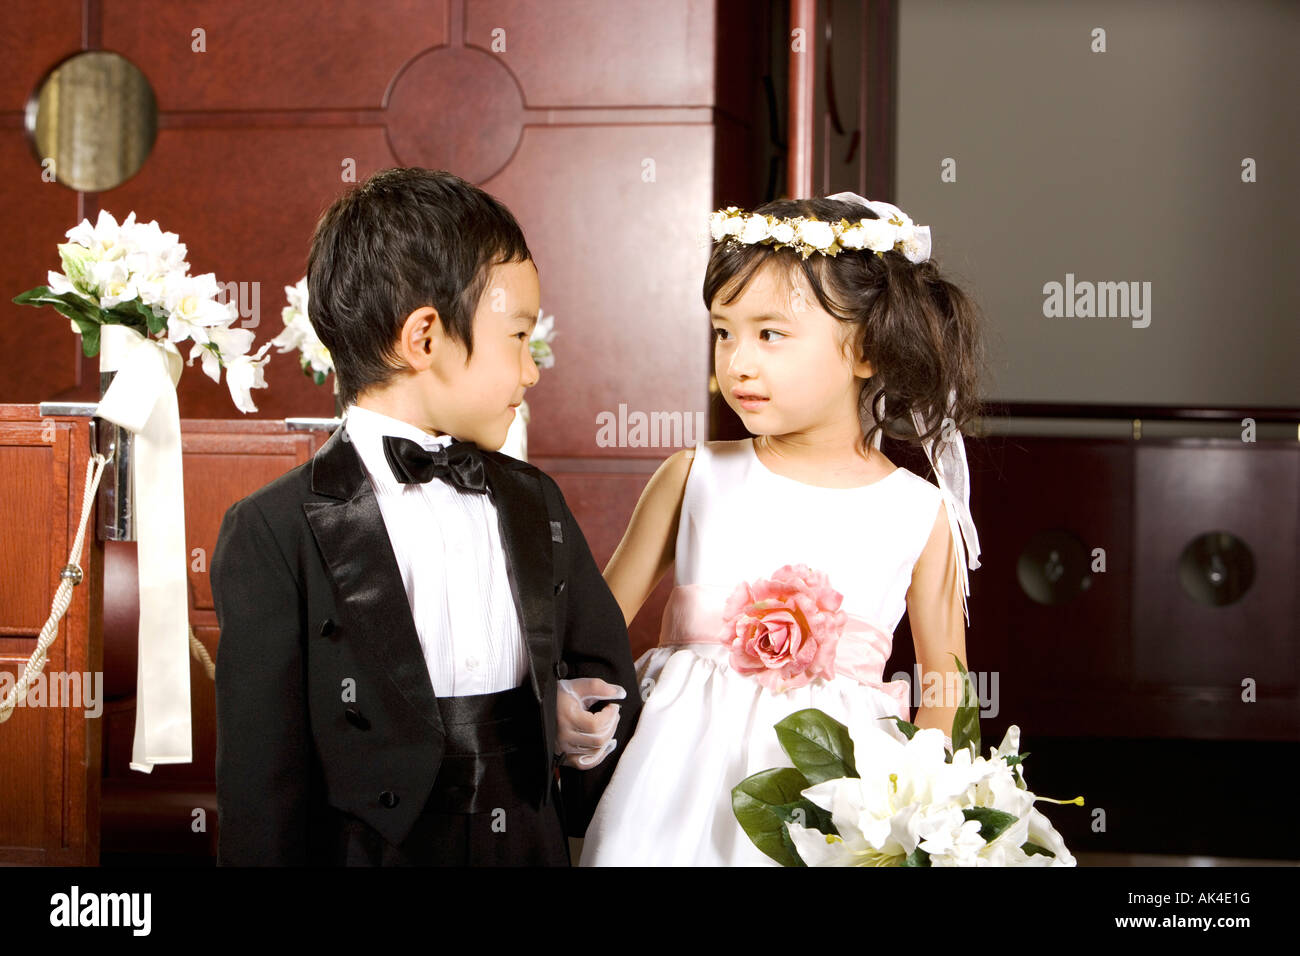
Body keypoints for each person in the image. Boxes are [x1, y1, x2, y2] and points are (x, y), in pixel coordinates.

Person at [210, 167, 640, 866]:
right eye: (518, 338)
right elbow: (263, 780)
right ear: (425, 339)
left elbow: (601, 665)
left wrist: (573, 720)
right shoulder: (274, 529)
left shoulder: (535, 501)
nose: (531, 372)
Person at [579, 193, 985, 865]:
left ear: (866, 350)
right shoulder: (693, 476)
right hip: (674, 789)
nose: (738, 362)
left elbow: (945, 684)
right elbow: (592, 628)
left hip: (837, 798)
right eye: (723, 331)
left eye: (769, 333)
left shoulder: (917, 513)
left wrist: (925, 809)